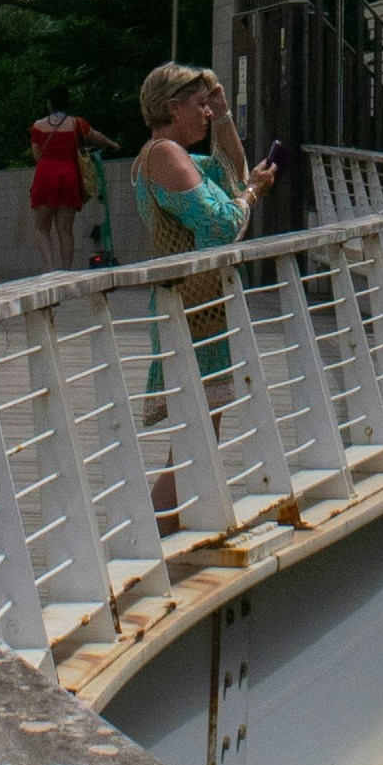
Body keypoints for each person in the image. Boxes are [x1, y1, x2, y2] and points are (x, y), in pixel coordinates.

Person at [116, 62, 280, 560]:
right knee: (195, 431)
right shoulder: (164, 154)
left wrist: (228, 114)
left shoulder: (173, 154)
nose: (208, 112)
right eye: (201, 104)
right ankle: (150, 545)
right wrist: (254, 194)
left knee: (200, 429)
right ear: (173, 108)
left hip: (198, 304)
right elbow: (225, 219)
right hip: (189, 306)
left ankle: (168, 536)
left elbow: (230, 173)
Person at [26, 103, 104, 273]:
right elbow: (95, 135)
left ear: (48, 103)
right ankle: (66, 271)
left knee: (42, 227)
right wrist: (112, 144)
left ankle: (50, 268)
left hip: (46, 175)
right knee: (66, 229)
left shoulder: (38, 126)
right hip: (69, 174)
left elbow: (36, 153)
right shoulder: (76, 123)